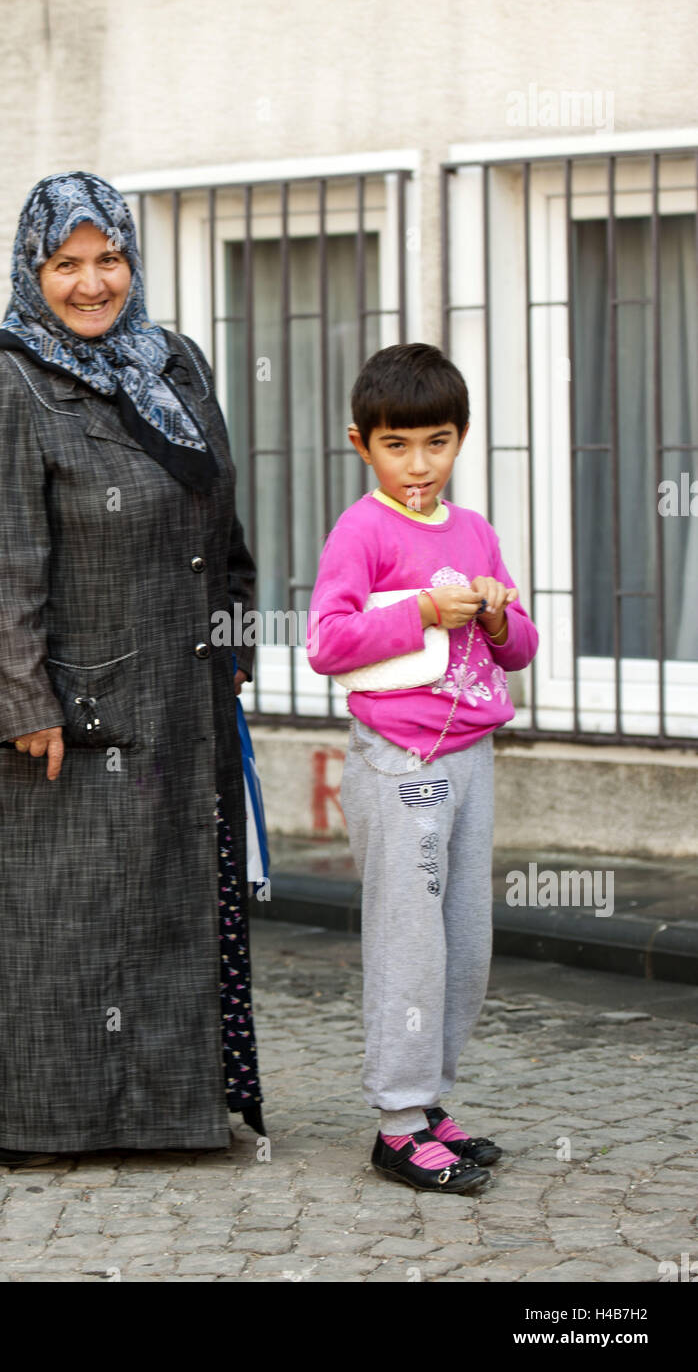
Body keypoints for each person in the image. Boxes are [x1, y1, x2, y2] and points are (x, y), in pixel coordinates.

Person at [0, 171, 264, 1166]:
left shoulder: (176, 364)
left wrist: (235, 636)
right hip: (68, 709)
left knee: (165, 909)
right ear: (33, 272)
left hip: (178, 692)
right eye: (66, 263)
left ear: (133, 258)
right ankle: (45, 1119)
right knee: (57, 921)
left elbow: (219, 516)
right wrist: (21, 697)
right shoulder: (5, 379)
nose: (91, 283)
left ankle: (172, 1113)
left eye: (108, 257)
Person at [306, 343, 539, 1194]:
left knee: (462, 942)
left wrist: (499, 615)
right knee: (409, 942)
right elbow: (326, 643)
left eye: (435, 443)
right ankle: (396, 1124)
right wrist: (422, 613)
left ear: (461, 438)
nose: (418, 464)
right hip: (401, 763)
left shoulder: (475, 530)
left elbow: (519, 649)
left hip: (471, 754)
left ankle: (431, 1100)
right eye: (397, 445)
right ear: (361, 444)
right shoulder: (361, 529)